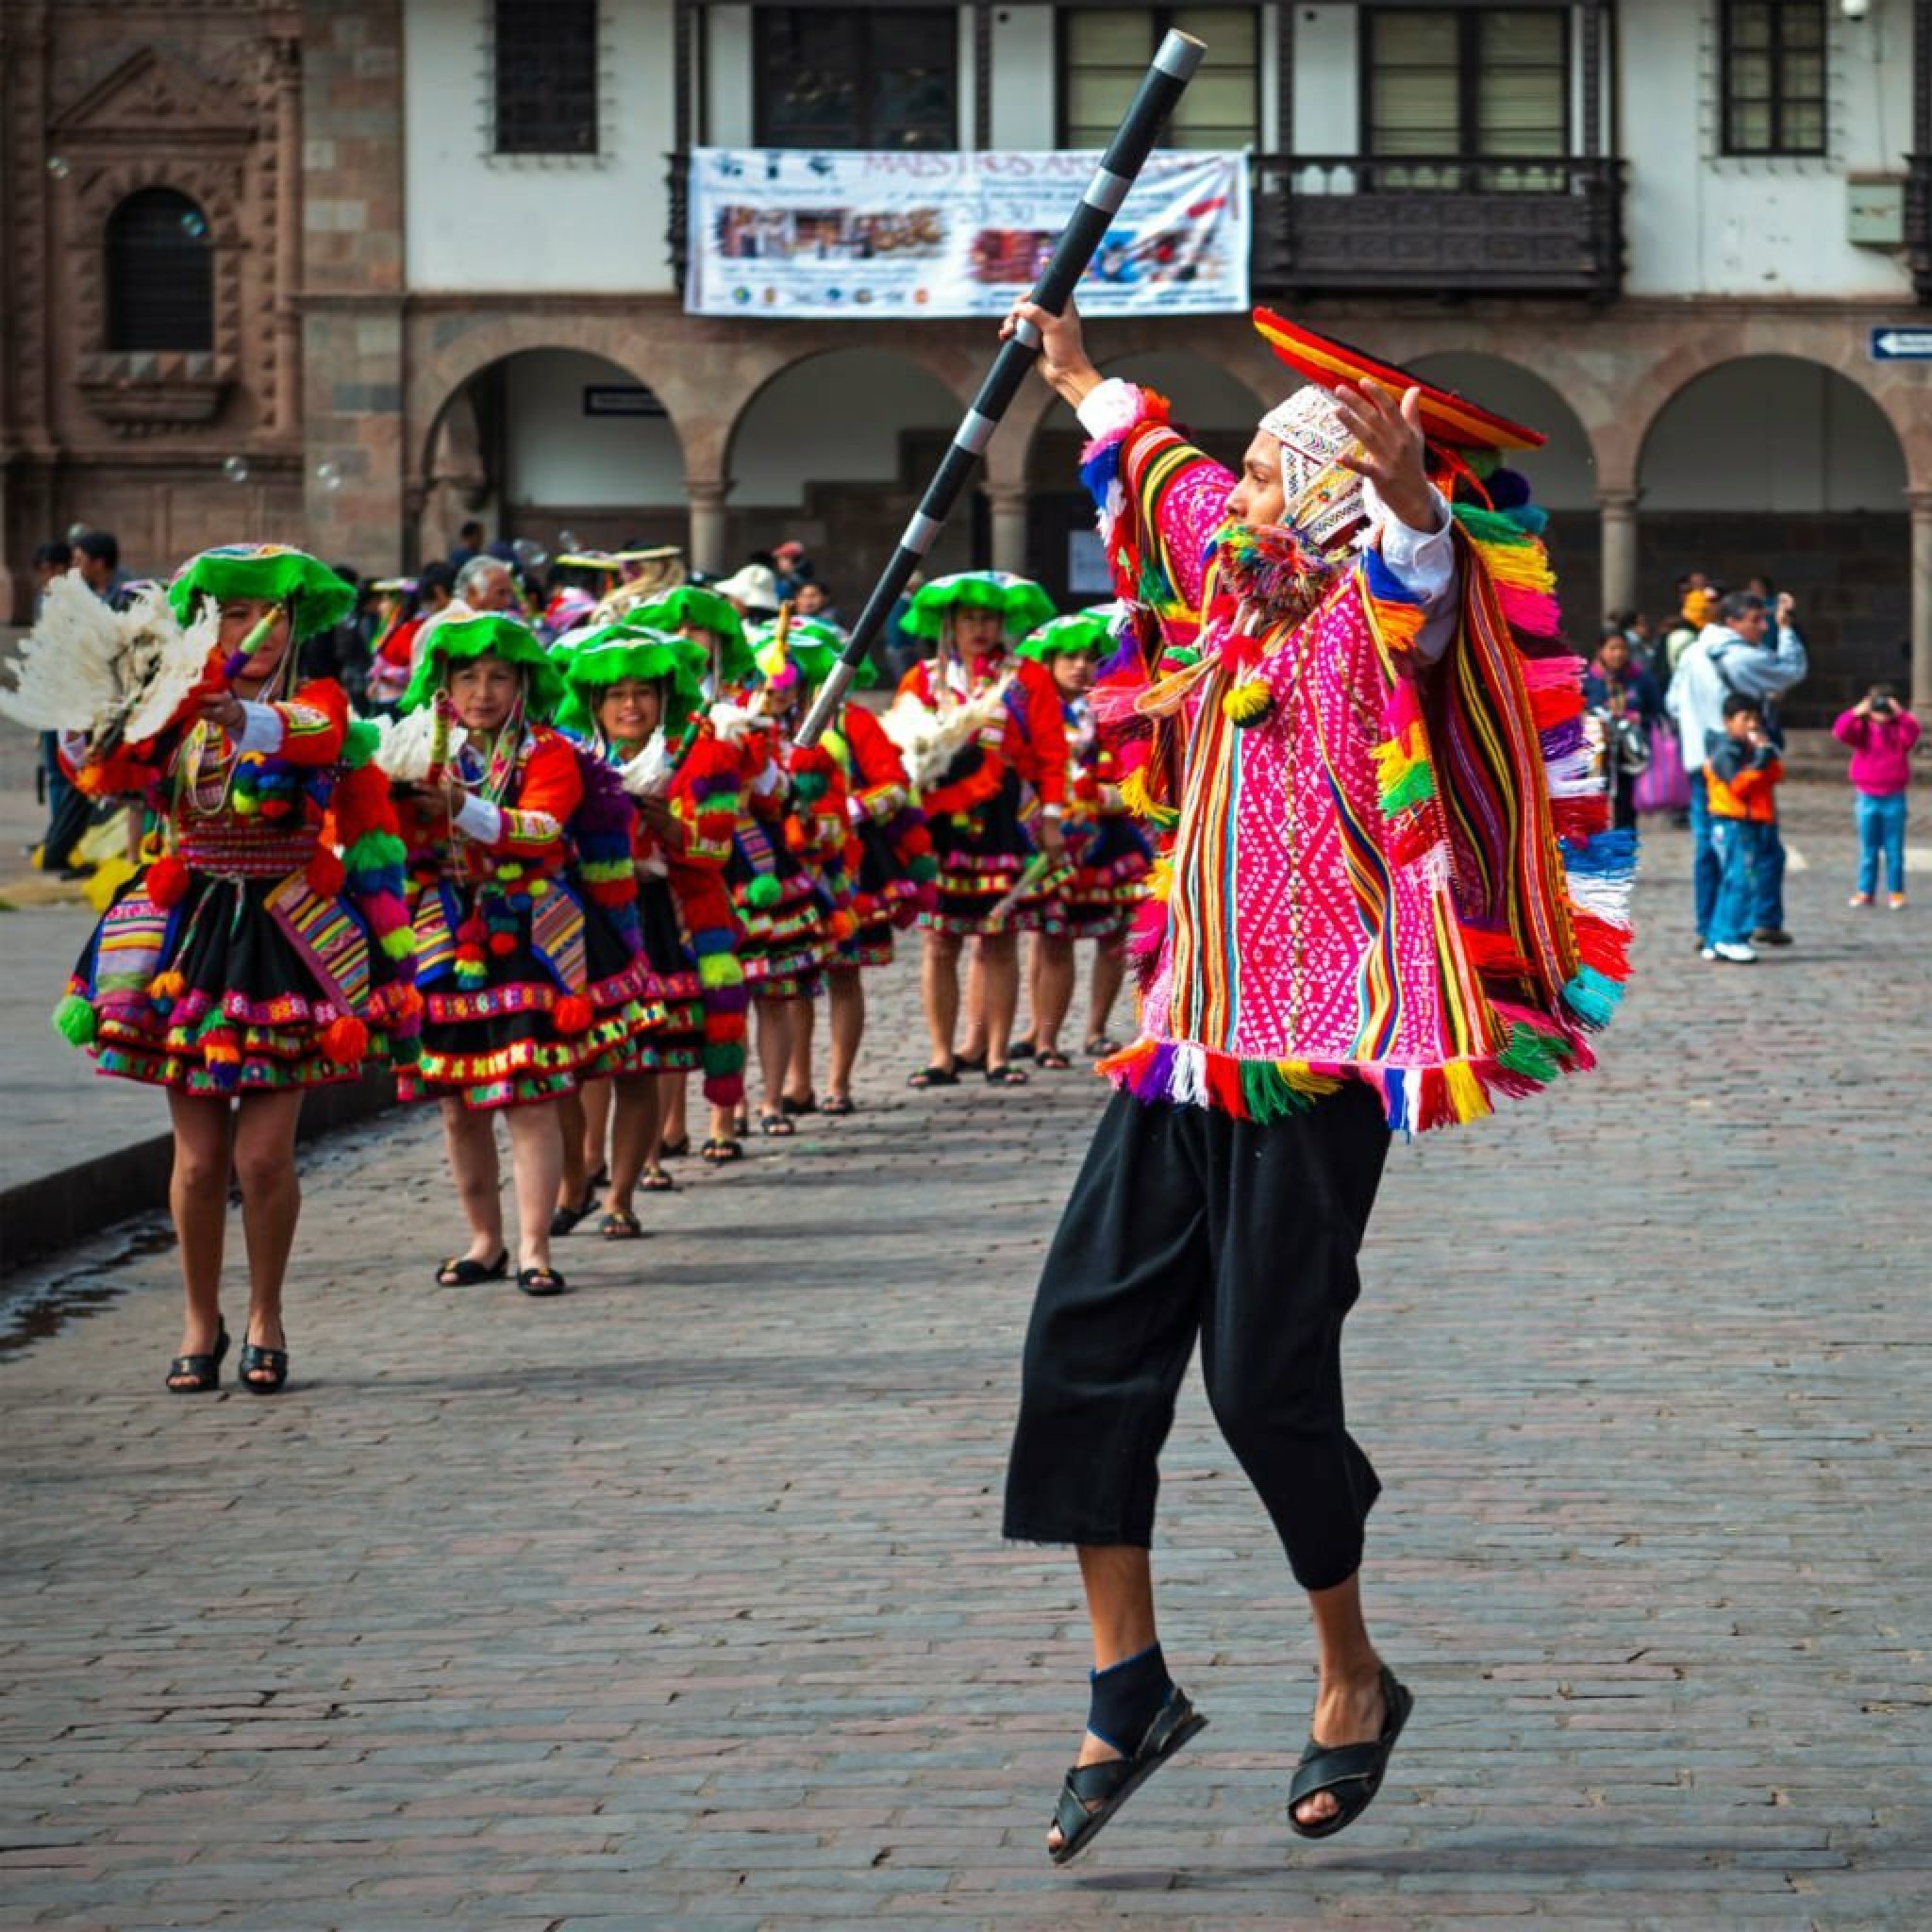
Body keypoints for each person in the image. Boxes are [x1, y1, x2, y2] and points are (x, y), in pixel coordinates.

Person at [997, 296, 1633, 1861]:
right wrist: (1070, 365)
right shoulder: (1229, 595)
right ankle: (1125, 1680)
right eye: (1258, 478)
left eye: (1278, 480)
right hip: (1181, 1042)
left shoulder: (1362, 623)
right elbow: (1157, 468)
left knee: (1260, 1383)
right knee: (1077, 1347)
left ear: (1330, 506)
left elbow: (1423, 571)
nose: (1243, 496)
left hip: (1316, 1059)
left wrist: (1410, 489)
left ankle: (1349, 1675)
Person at [50, 544, 416, 1393]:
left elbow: (316, 740)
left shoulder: (318, 703)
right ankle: (197, 1317)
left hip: (286, 936)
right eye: (233, 615)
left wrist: (233, 715)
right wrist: (90, 720)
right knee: (198, 1158)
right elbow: (109, 773)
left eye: (265, 615)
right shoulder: (171, 706)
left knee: (263, 1158)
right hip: (191, 935)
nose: (250, 631)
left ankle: (266, 1313)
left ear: (295, 625)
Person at [392, 610, 654, 1296]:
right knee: (456, 1101)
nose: (482, 691)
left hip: (533, 933)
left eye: (499, 676)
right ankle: (485, 1239)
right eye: (467, 676)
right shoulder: (416, 747)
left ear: (523, 684)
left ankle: (536, 1245)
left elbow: (538, 831)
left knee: (530, 1094)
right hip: (444, 932)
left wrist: (457, 808)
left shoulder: (549, 753)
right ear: (442, 683)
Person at [551, 624, 731, 1231]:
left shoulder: (695, 757)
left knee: (640, 1064)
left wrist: (676, 831)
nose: (631, 705)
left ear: (663, 698)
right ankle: (574, 1176)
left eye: (644, 693)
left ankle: (620, 1198)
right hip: (583, 918)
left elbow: (719, 849)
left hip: (655, 917)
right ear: (595, 703)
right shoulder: (567, 758)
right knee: (574, 1064)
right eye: (617, 694)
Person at [890, 570, 1066, 1089]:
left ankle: (995, 1054)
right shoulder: (922, 680)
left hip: (1002, 822)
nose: (981, 627)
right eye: (970, 618)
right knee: (939, 941)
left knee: (998, 938)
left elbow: (1052, 755)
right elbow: (898, 753)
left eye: (989, 617)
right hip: (939, 825)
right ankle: (942, 1053)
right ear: (949, 623)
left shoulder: (1027, 678)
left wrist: (1052, 817)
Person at [757, 616, 934, 1115]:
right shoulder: (759, 728)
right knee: (792, 979)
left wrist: (850, 810)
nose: (779, 689)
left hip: (845, 869)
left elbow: (896, 786)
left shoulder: (851, 722)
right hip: (784, 865)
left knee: (843, 973)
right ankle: (797, 1081)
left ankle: (839, 1081)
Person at [1009, 608, 1152, 1067]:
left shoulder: (1115, 712)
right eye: (1068, 658)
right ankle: (1044, 1033)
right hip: (1055, 839)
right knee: (1052, 937)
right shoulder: (1034, 715)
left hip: (1109, 842)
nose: (1080, 667)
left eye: (1089, 658)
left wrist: (1098, 797)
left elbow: (1137, 777)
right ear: (1048, 663)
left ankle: (1096, 1028)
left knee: (1112, 936)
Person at [1665, 590, 1806, 951]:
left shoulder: (1693, 652)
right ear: (1732, 622)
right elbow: (1791, 671)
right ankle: (1759, 920)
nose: (1762, 628)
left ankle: (1708, 925)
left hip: (1700, 761)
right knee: (1759, 849)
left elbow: (1673, 703)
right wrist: (1786, 629)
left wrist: (1699, 734)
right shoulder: (1740, 657)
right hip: (1740, 765)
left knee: (1709, 847)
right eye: (1755, 620)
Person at [1702, 691, 1783, 963]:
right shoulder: (1726, 751)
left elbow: (1773, 776)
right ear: (1728, 722)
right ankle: (1732, 937)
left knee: (1731, 882)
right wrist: (1760, 760)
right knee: (1741, 883)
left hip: (1745, 822)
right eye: (1745, 718)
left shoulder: (1747, 750)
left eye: (1755, 718)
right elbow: (1738, 786)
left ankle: (1716, 939)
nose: (1752, 724)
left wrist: (1767, 755)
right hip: (1734, 824)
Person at [1834, 685, 1919, 909]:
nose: (1881, 710)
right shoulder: (1861, 731)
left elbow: (1913, 734)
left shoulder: (1899, 730)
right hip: (1866, 795)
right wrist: (1856, 712)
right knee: (1868, 849)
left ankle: (1896, 891)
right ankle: (1865, 891)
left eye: (1884, 704)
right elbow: (1840, 731)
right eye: (1877, 705)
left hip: (1894, 795)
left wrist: (1900, 715)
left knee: (1894, 849)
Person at [1583, 625, 1660, 832]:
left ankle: (1624, 854)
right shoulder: (1588, 681)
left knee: (1626, 808)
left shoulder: (1640, 679)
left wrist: (1638, 719)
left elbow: (1656, 711)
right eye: (1613, 648)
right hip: (1598, 758)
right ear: (1600, 650)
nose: (1619, 654)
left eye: (1623, 649)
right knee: (1596, 806)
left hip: (1630, 757)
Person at [454, 553, 519, 615]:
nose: (508, 601)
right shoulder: (451, 624)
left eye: (509, 593)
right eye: (501, 593)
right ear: (473, 592)